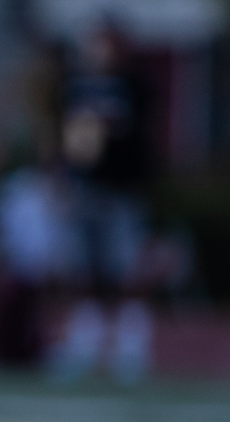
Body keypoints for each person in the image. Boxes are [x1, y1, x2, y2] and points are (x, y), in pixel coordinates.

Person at [51, 20, 156, 383]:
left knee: (125, 269)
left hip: (122, 188)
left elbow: (141, 134)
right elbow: (67, 138)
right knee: (82, 268)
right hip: (85, 188)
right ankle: (85, 342)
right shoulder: (75, 85)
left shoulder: (133, 84)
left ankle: (130, 344)